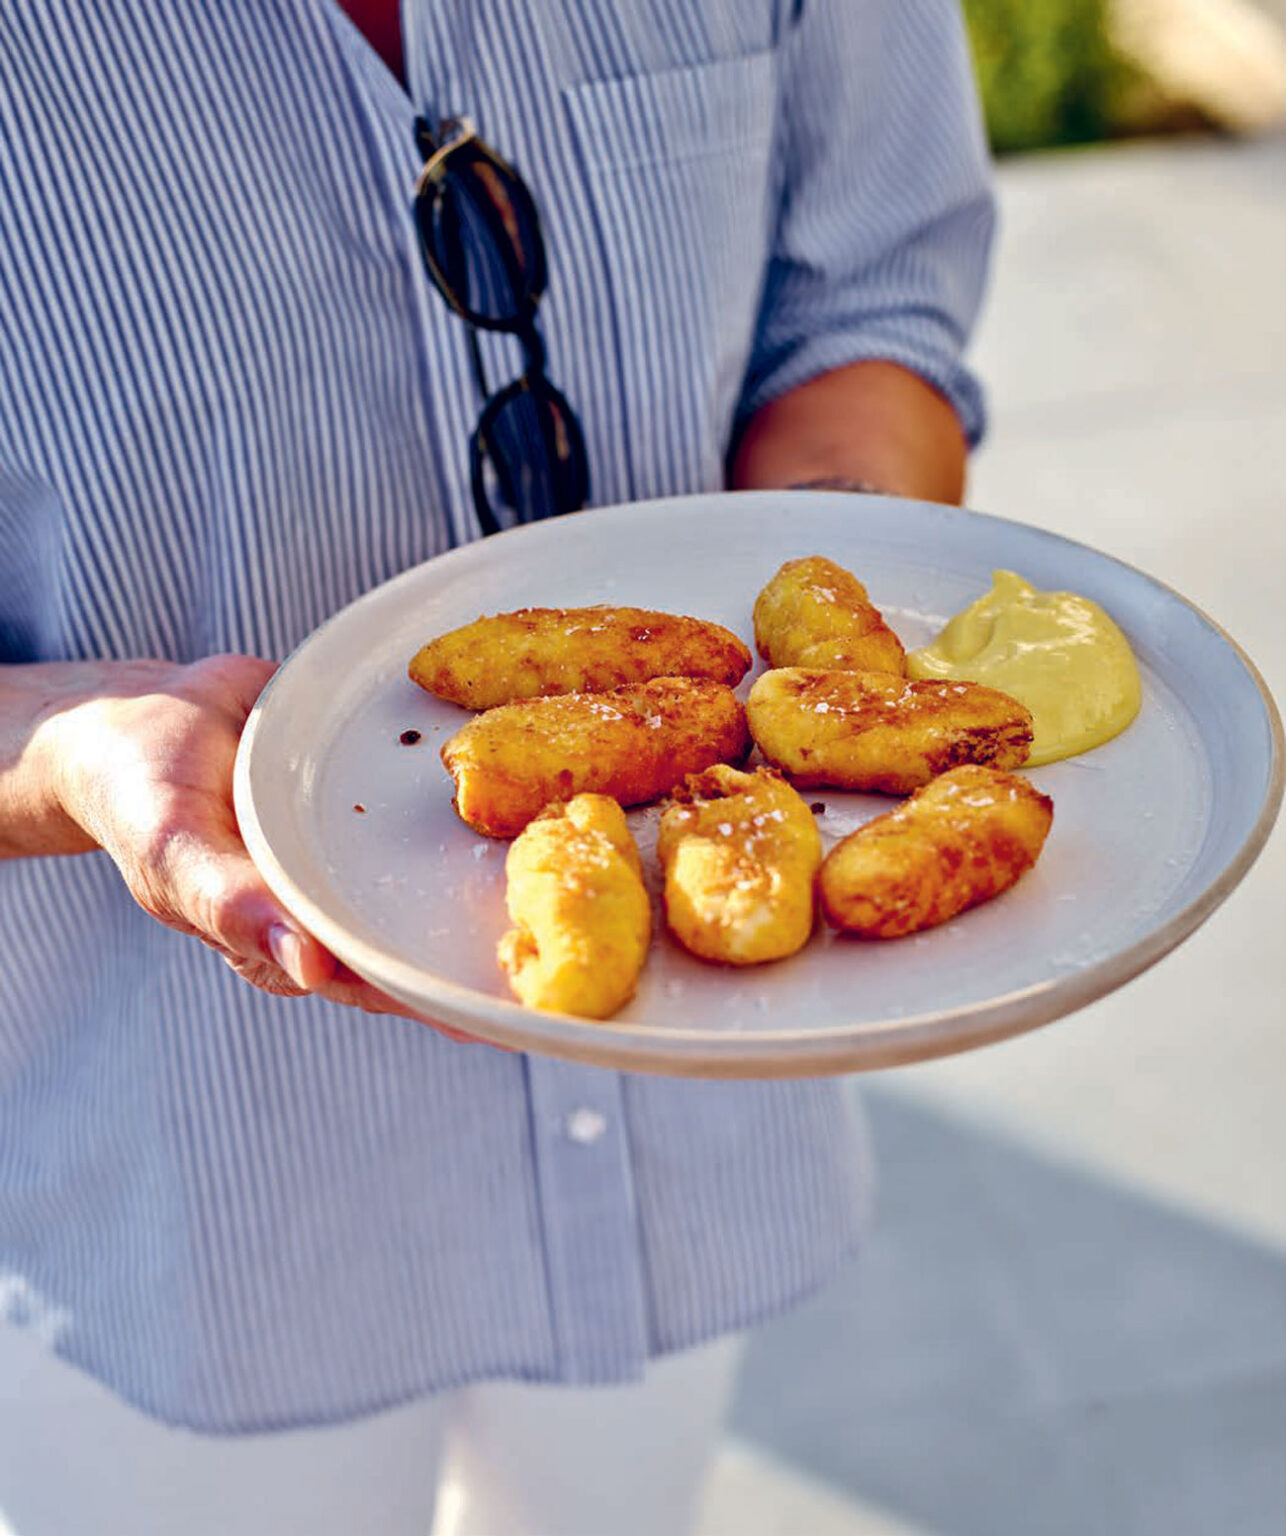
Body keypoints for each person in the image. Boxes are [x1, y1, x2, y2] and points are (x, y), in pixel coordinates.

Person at [0, 1, 995, 1531]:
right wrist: (61, 753)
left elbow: (868, 297)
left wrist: (840, 624)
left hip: (696, 1121)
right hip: (178, 1199)